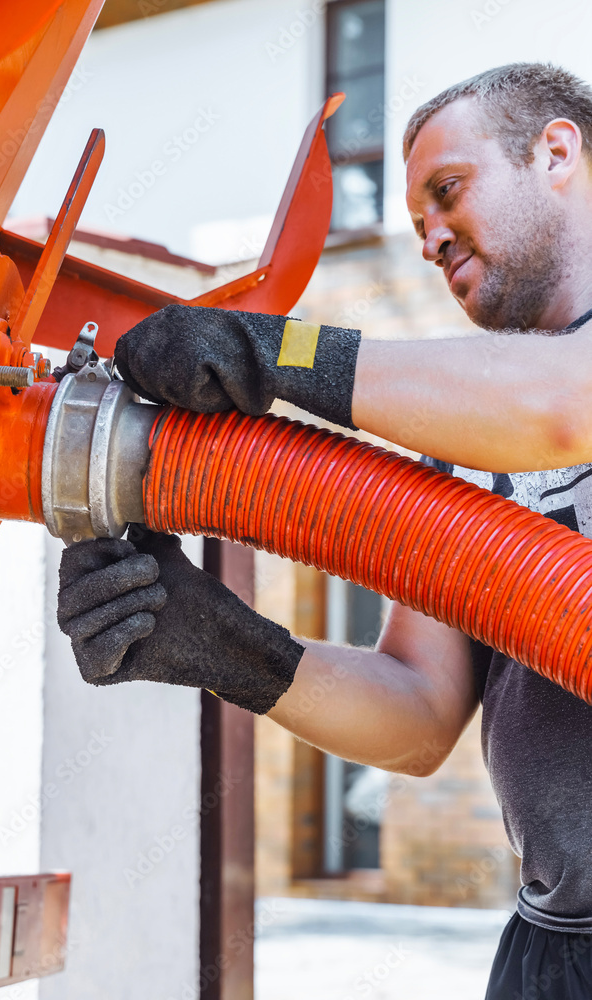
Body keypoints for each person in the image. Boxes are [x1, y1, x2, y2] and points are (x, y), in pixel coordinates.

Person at [57, 64, 592, 999]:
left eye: (446, 190)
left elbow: (560, 408)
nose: (427, 236)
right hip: (553, 948)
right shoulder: (457, 443)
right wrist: (219, 642)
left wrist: (282, 354)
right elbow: (419, 715)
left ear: (555, 153)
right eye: (420, 216)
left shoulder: (537, 400)